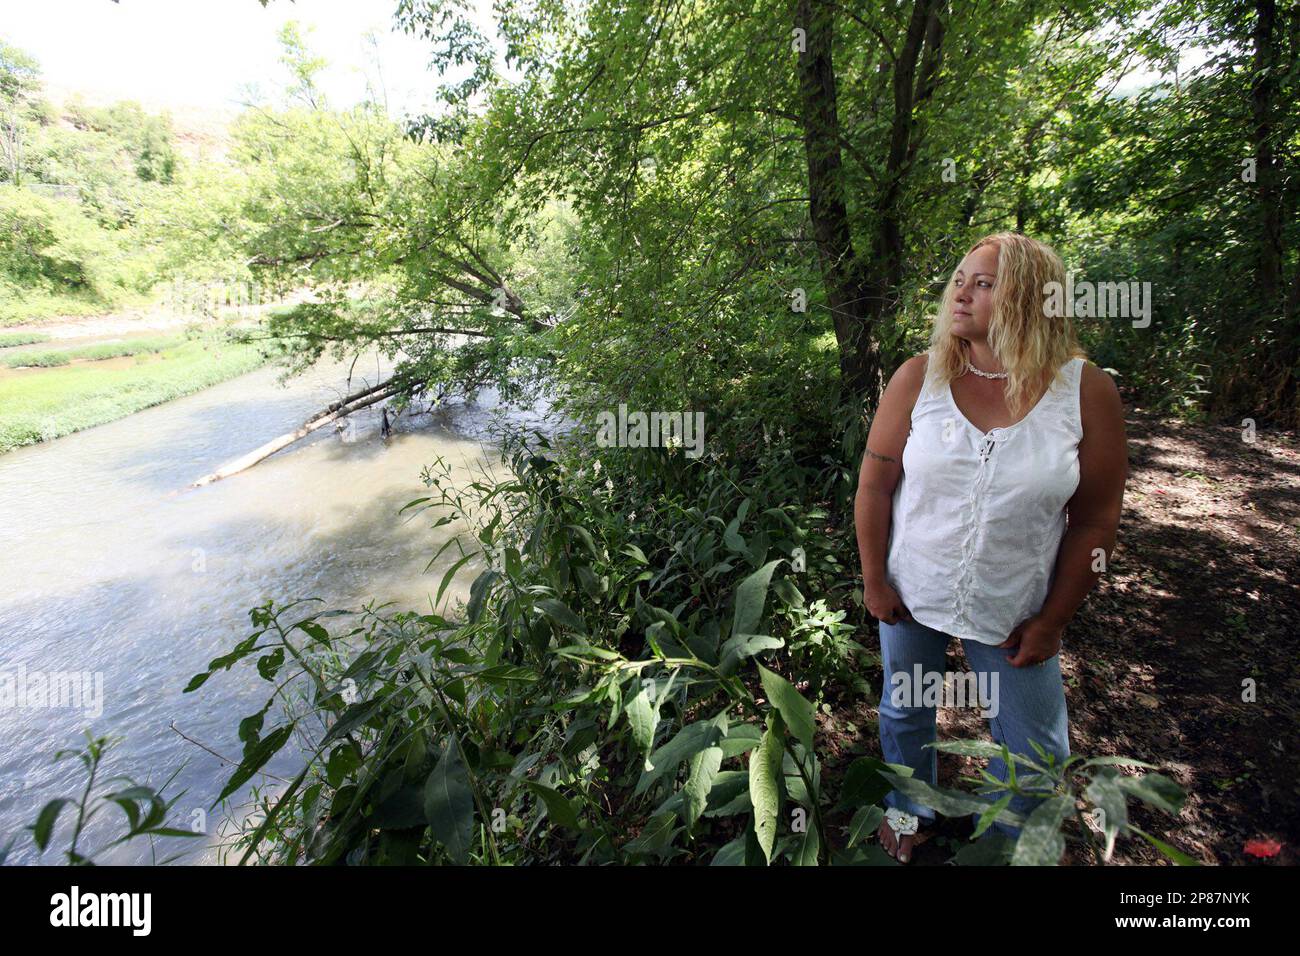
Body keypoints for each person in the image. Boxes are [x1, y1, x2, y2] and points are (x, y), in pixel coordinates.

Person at [853, 231, 1128, 863]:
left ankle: (1020, 840)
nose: (961, 294)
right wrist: (874, 578)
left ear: (1032, 299)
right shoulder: (919, 378)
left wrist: (1054, 619)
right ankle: (907, 809)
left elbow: (1093, 523)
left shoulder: (1085, 392)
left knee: (1034, 743)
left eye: (984, 283)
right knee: (905, 708)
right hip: (911, 589)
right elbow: (875, 482)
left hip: (1015, 605)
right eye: (959, 280)